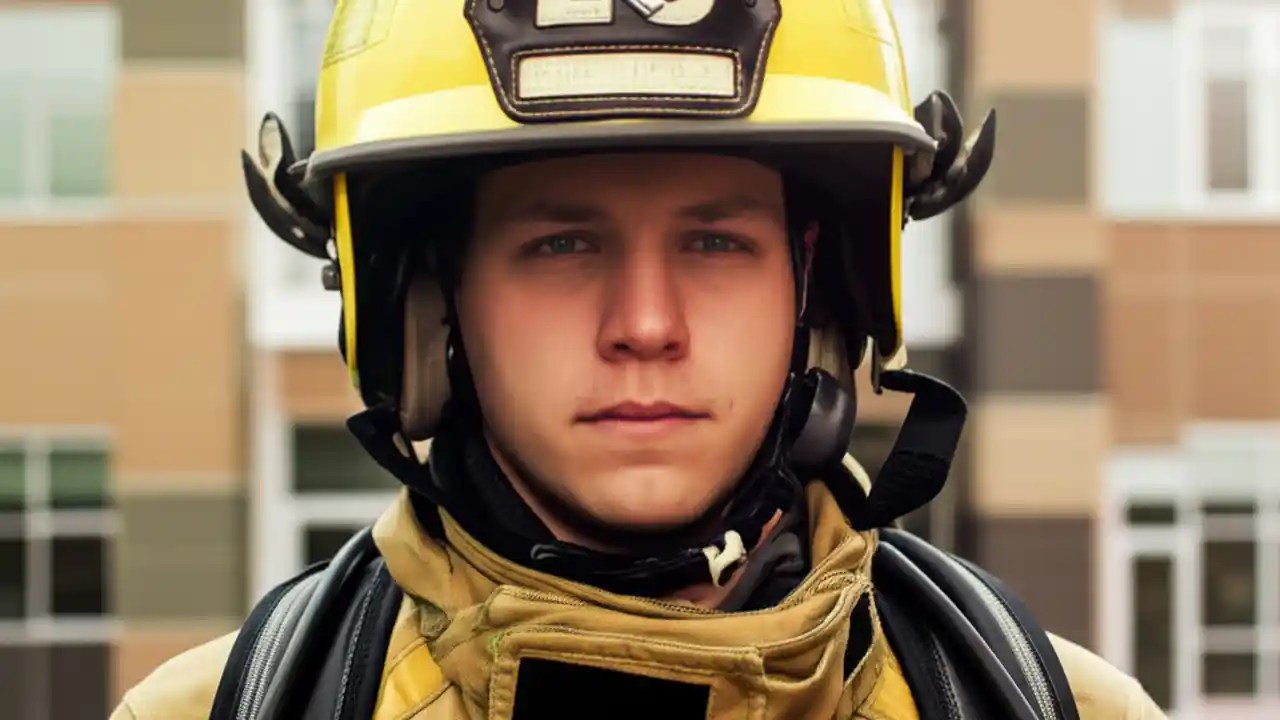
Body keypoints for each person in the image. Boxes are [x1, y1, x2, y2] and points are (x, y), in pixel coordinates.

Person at [113, 1, 1166, 718]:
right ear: (437, 297)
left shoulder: (1043, 704)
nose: (646, 324)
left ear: (815, 286)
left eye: (715, 242)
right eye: (559, 245)